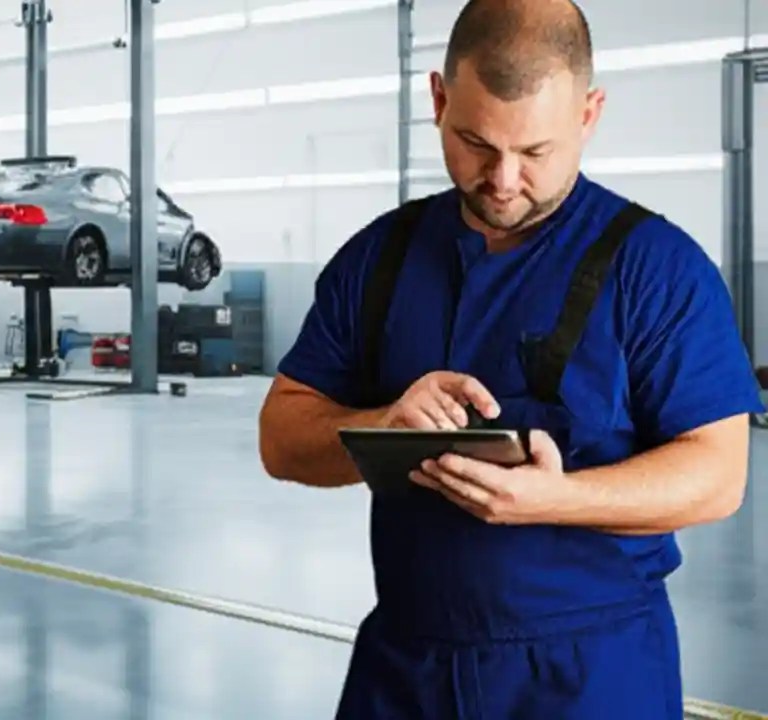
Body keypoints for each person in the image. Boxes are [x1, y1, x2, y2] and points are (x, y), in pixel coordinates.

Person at [258, 0, 762, 717]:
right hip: (405, 668)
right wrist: (382, 425)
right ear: (437, 99)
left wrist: (561, 500)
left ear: (589, 115)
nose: (501, 180)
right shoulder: (378, 260)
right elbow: (282, 436)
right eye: (475, 142)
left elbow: (718, 476)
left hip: (590, 671)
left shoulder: (657, 270)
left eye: (535, 154)